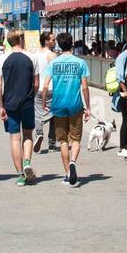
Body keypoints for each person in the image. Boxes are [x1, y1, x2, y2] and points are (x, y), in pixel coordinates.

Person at [43, 32, 90, 186]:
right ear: (72, 44)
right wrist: (88, 107)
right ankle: (73, 162)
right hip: (75, 105)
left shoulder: (54, 63)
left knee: (62, 140)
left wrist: (44, 102)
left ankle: (67, 174)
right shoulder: (80, 62)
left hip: (58, 104)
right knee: (75, 139)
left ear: (58, 45)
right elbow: (84, 87)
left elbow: (45, 85)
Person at [0, 30, 38, 186]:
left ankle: (20, 175)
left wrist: (1, 105)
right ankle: (27, 162)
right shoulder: (32, 57)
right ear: (20, 39)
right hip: (27, 102)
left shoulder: (1, 59)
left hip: (10, 103)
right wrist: (31, 97)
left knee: (14, 137)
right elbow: (36, 83)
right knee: (27, 134)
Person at [33, 31, 57, 154]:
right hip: (51, 88)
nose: (55, 42)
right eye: (53, 40)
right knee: (53, 115)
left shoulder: (35, 54)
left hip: (38, 88)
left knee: (37, 113)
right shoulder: (52, 55)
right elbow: (56, 74)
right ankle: (52, 144)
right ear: (46, 41)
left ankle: (39, 133)